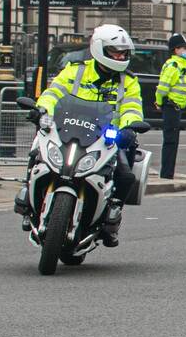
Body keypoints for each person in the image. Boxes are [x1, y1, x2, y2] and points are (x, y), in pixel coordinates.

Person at [14, 24, 145, 246]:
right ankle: (27, 196)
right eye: (115, 51)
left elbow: (132, 107)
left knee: (125, 175)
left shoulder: (128, 81)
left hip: (104, 138)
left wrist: (130, 127)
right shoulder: (75, 70)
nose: (120, 56)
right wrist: (41, 110)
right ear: (99, 49)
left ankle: (111, 217)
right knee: (37, 152)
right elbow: (53, 93)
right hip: (67, 129)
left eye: (123, 52)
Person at [155, 33, 186, 180]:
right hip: (171, 107)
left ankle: (168, 173)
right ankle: (166, 174)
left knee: (173, 142)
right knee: (170, 142)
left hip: (176, 108)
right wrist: (159, 102)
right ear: (175, 49)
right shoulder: (173, 66)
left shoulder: (181, 66)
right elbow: (162, 88)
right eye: (183, 48)